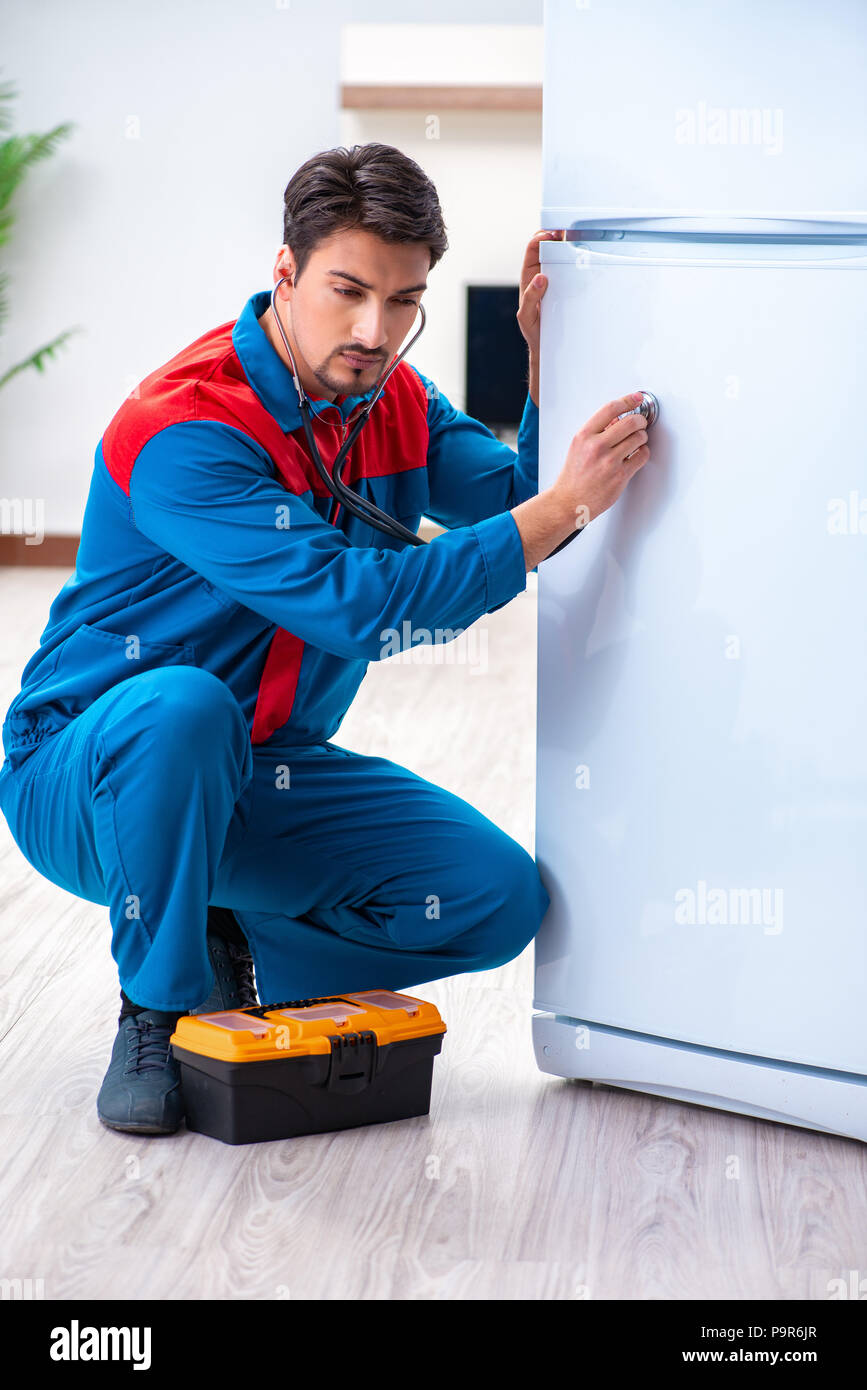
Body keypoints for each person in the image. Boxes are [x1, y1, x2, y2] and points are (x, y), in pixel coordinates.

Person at [0, 142, 650, 1136]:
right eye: (348, 291)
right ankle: (157, 1007)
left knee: (498, 898)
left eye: (403, 301)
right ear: (285, 274)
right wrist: (554, 510)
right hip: (89, 774)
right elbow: (364, 606)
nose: (374, 329)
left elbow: (526, 502)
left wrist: (545, 362)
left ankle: (236, 944)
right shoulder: (180, 429)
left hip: (271, 768)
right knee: (183, 703)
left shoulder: (393, 399)